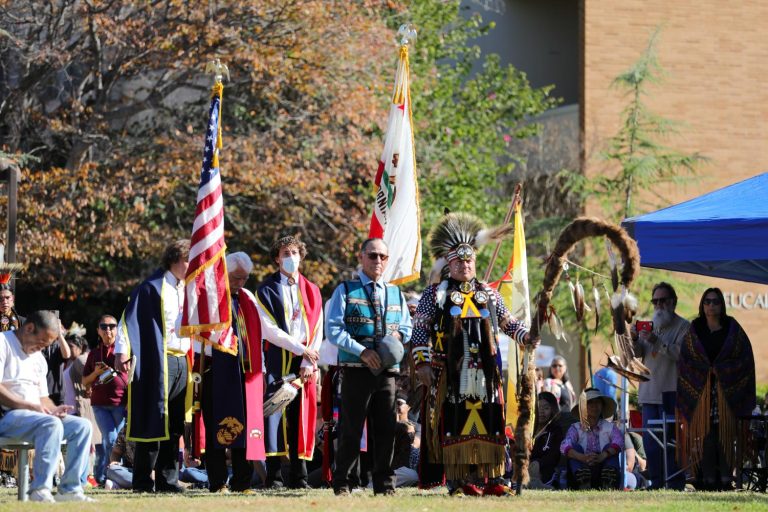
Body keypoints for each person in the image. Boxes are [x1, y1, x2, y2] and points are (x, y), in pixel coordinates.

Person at [410, 212, 537, 496]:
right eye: (458, 261)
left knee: (490, 419)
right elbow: (419, 331)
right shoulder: (434, 295)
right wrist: (422, 364)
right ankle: (459, 479)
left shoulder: (489, 294)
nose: (465, 265)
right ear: (449, 263)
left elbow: (508, 323)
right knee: (455, 421)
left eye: (469, 260)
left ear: (474, 262)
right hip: (450, 371)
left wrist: (526, 336)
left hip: (486, 371)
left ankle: (492, 478)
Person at [326, 237, 412, 496]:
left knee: (386, 429)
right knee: (351, 429)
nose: (377, 261)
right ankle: (343, 483)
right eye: (372, 255)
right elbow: (333, 330)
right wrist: (361, 351)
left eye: (382, 257)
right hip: (356, 369)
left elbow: (407, 327)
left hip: (387, 372)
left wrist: (397, 338)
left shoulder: (396, 293)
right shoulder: (345, 289)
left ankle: (385, 485)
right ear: (361, 257)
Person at [115, 239, 192, 493]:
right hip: (157, 362)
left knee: (174, 424)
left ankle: (168, 480)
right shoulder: (151, 288)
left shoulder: (187, 289)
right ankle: (142, 482)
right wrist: (121, 351)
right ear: (174, 260)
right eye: (187, 259)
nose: (191, 265)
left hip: (181, 360)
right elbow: (127, 320)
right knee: (152, 421)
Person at [0, 310, 94, 502]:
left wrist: (53, 410)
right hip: (7, 416)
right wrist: (28, 406)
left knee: (82, 427)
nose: (42, 348)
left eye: (46, 345)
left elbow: (43, 398)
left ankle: (69, 489)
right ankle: (40, 489)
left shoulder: (38, 357)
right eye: (41, 342)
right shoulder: (3, 343)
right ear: (29, 328)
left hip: (35, 417)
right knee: (51, 424)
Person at [257, 235, 323, 489]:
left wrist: (309, 361)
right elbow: (270, 330)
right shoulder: (266, 290)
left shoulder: (312, 289)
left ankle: (300, 476)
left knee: (301, 417)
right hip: (277, 358)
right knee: (274, 415)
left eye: (295, 252)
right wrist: (302, 350)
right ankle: (273, 477)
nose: (291, 258)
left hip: (304, 364)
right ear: (277, 258)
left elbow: (317, 328)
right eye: (286, 253)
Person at [676, 287, 755, 491]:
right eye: (707, 301)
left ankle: (726, 479)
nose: (711, 305)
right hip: (701, 391)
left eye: (715, 301)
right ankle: (707, 479)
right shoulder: (695, 328)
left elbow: (744, 358)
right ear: (702, 305)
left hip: (727, 391)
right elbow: (686, 360)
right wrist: (704, 373)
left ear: (722, 305)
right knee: (706, 434)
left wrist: (720, 371)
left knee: (725, 433)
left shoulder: (732, 328)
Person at [199, 251, 265, 493]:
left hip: (244, 373)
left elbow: (264, 332)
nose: (240, 283)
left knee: (245, 428)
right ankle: (217, 483)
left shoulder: (248, 298)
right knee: (219, 425)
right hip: (214, 371)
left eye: (245, 278)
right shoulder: (210, 297)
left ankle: (242, 482)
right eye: (236, 278)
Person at [631, 282, 689, 489]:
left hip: (672, 394)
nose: (658, 305)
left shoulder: (684, 326)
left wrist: (657, 341)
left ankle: (674, 483)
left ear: (673, 302)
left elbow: (683, 355)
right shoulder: (650, 325)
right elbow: (637, 354)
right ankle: (656, 483)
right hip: (649, 393)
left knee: (672, 443)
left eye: (663, 300)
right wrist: (634, 338)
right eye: (655, 301)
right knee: (651, 444)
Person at [82, 314, 127, 485]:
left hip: (121, 403)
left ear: (117, 329)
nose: (108, 329)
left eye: (112, 326)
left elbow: (133, 376)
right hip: (99, 404)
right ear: (98, 331)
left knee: (117, 441)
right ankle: (114, 476)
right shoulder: (94, 353)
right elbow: (84, 381)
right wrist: (96, 373)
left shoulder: (124, 350)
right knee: (110, 439)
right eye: (104, 326)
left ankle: (109, 477)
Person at [560, 387, 623, 490]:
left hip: (603, 467)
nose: (594, 406)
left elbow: (619, 441)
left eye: (598, 402)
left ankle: (608, 482)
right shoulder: (575, 428)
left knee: (610, 447)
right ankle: (582, 481)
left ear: (602, 406)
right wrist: (582, 457)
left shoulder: (610, 427)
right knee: (574, 447)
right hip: (582, 466)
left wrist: (604, 455)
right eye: (590, 403)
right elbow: (564, 446)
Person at [530, 391, 565, 488]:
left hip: (545, 470)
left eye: (546, 408)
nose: (541, 411)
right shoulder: (528, 429)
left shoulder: (555, 430)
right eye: (538, 407)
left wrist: (539, 463)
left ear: (553, 409)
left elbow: (554, 455)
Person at [104, 424, 135, 490]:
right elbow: (116, 452)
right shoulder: (126, 428)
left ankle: (120, 485)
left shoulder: (156, 428)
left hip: (151, 473)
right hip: (131, 471)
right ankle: (143, 484)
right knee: (111, 470)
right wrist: (115, 461)